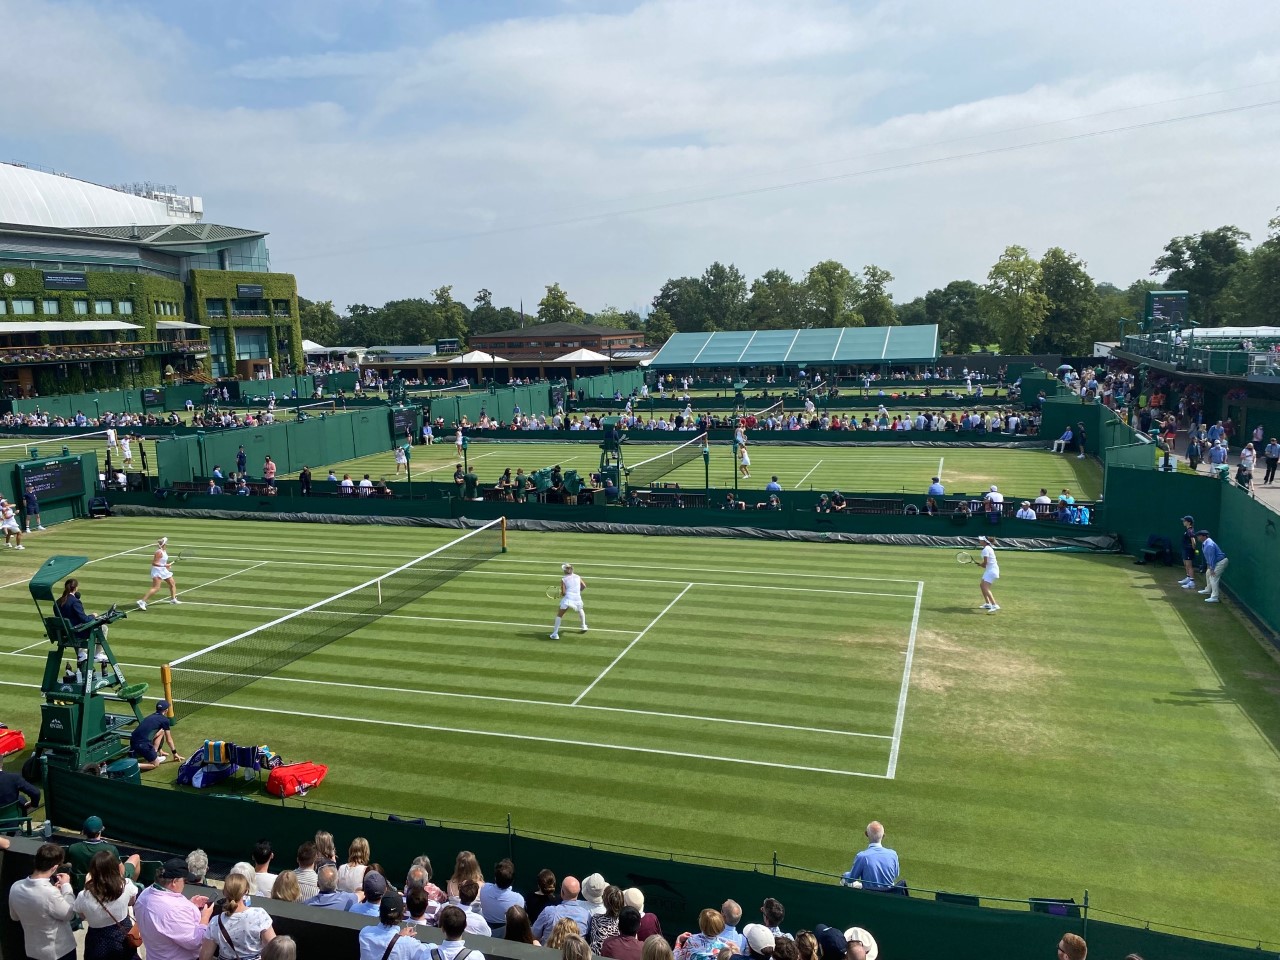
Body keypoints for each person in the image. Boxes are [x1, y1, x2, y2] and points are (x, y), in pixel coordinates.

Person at [8, 841, 78, 960]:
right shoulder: (50, 893)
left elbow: (14, 916)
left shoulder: (16, 886)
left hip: (33, 951)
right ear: (55, 867)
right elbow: (69, 914)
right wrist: (66, 886)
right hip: (58, 952)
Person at [135, 857, 215, 960]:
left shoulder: (144, 894)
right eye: (184, 880)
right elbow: (195, 942)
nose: (184, 883)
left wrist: (191, 905)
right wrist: (205, 917)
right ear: (174, 882)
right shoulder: (175, 910)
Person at [76, 848, 139, 960]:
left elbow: (82, 915)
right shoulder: (127, 884)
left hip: (97, 941)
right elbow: (132, 902)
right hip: (122, 936)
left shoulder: (84, 895)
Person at [199, 873, 275, 960]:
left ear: (224, 892)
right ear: (246, 891)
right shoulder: (259, 915)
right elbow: (274, 948)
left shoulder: (215, 922)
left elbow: (204, 957)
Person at [68, 815, 141, 892]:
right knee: (136, 857)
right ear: (100, 831)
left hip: (80, 887)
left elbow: (60, 863)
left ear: (84, 832)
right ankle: (130, 889)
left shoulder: (73, 848)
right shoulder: (111, 849)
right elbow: (122, 872)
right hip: (105, 886)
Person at [357, 894, 428, 960]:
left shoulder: (364, 933)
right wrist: (400, 938)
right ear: (402, 912)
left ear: (380, 910)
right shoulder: (408, 943)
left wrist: (399, 937)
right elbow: (431, 950)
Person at [840, 821, 900, 890]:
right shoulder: (893, 854)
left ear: (866, 834)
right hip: (888, 895)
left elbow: (851, 879)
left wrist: (845, 875)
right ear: (883, 836)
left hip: (869, 896)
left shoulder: (862, 856)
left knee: (844, 881)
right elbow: (896, 875)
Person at [129, 701, 183, 771]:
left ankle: (154, 753)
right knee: (155, 764)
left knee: (161, 731)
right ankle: (134, 765)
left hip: (133, 741)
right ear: (166, 710)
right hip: (143, 745)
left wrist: (160, 749)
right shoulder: (164, 720)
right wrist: (174, 753)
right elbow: (169, 740)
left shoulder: (150, 716)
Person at [479, 858, 524, 936]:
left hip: (493, 931)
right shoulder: (518, 899)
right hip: (504, 934)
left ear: (495, 878)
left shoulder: (484, 888)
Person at [137, 536, 179, 610]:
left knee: (172, 583)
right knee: (156, 588)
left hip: (163, 570)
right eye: (166, 543)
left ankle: (173, 599)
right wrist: (165, 565)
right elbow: (154, 563)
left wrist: (166, 566)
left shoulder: (163, 551)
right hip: (157, 571)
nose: (167, 544)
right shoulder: (159, 552)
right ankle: (142, 601)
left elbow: (162, 562)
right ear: (164, 544)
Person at [550, 563, 588, 640]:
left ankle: (555, 634)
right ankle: (584, 626)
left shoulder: (563, 579)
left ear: (565, 571)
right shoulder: (577, 576)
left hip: (568, 599)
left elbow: (564, 593)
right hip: (577, 597)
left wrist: (562, 593)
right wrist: (577, 591)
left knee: (559, 615)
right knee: (580, 609)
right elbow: (584, 586)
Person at [1194, 530, 1228, 603]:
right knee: (1208, 573)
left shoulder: (1209, 545)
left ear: (1204, 536)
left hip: (1220, 562)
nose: (1198, 537)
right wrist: (1209, 567)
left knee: (1213, 577)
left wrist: (1212, 568)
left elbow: (1212, 557)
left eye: (1199, 536)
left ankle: (1215, 597)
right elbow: (1208, 557)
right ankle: (1208, 590)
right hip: (1215, 562)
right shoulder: (1205, 543)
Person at [976, 535, 1000, 612]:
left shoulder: (986, 549)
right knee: (982, 585)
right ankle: (988, 603)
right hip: (990, 570)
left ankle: (994, 605)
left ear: (984, 541)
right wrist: (981, 565)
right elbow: (986, 564)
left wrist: (981, 564)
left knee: (986, 588)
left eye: (981, 540)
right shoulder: (988, 548)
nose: (979, 541)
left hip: (992, 570)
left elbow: (985, 563)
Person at [1177, 515, 1198, 590]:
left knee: (1189, 566)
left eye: (1184, 521)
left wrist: (1193, 549)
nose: (1183, 522)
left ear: (1188, 522)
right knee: (1186, 565)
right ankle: (1188, 578)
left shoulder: (1190, 530)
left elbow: (1193, 541)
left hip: (1188, 550)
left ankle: (1192, 582)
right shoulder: (1187, 530)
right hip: (1185, 550)